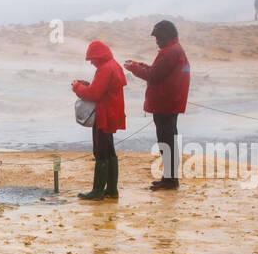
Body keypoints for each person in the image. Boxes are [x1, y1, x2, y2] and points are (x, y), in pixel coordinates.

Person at [125, 20, 191, 192]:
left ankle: (170, 181)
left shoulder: (169, 53)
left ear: (166, 36)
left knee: (166, 142)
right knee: (169, 141)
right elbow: (157, 71)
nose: (157, 41)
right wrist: (138, 65)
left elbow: (153, 75)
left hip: (165, 103)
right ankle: (170, 179)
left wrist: (134, 68)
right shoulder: (175, 50)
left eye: (158, 38)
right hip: (171, 102)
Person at [72, 40, 126, 201]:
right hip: (112, 113)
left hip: (103, 114)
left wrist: (77, 87)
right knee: (109, 150)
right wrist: (87, 86)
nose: (92, 63)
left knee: (101, 151)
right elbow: (102, 89)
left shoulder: (105, 68)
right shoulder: (114, 65)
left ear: (99, 56)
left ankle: (97, 191)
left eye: (93, 59)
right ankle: (111, 189)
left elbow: (94, 94)